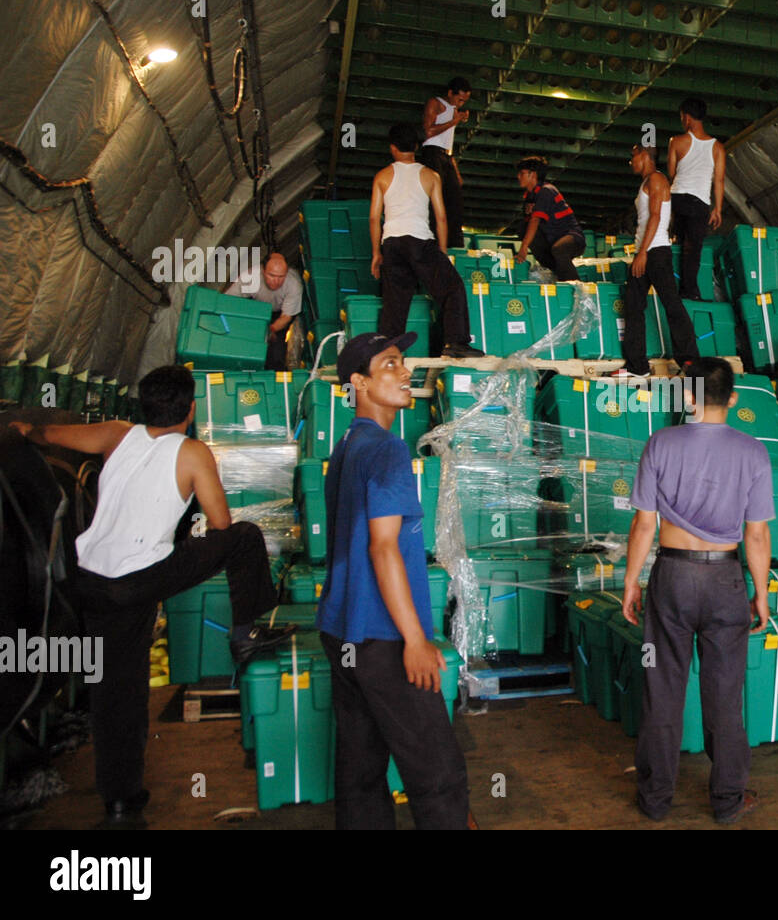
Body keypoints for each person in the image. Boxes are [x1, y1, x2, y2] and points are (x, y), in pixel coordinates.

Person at [11, 366, 292, 828]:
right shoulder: (193, 452)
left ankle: (121, 806)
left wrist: (27, 430)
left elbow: (52, 435)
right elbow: (220, 525)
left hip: (90, 581)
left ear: (143, 406)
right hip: (138, 580)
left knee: (113, 696)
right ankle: (245, 633)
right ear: (192, 409)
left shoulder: (116, 434)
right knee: (243, 537)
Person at [317, 332, 470, 830]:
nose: (405, 374)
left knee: (360, 770)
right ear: (358, 383)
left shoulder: (347, 445)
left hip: (341, 631)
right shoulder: (386, 451)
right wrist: (415, 640)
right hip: (383, 636)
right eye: (390, 365)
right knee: (437, 773)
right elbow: (382, 548)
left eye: (403, 363)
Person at [622, 358, 773, 824]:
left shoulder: (660, 443)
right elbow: (757, 535)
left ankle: (654, 801)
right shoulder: (754, 452)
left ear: (687, 397)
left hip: (670, 578)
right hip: (726, 580)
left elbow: (644, 524)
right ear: (732, 398)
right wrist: (761, 593)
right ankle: (727, 802)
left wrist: (631, 582)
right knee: (725, 696)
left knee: (661, 690)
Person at [369, 123, 481, 357]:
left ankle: (387, 355)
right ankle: (455, 343)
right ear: (417, 146)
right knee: (452, 288)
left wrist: (376, 254)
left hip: (391, 243)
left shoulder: (382, 176)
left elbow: (373, 218)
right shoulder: (431, 176)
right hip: (419, 241)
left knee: (395, 302)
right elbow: (440, 216)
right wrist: (441, 251)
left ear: (392, 148)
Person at [616, 143, 699, 379]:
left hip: (655, 253)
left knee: (671, 305)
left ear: (645, 155)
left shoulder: (656, 179)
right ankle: (637, 366)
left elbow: (656, 216)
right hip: (646, 251)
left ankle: (690, 361)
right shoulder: (646, 183)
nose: (631, 162)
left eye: (633, 157)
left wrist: (642, 253)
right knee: (633, 306)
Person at [667, 97, 726, 302]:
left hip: (676, 200)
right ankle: (689, 292)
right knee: (693, 250)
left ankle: (667, 287)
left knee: (674, 244)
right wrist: (717, 209)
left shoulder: (676, 142)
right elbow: (718, 180)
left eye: (682, 117)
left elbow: (672, 173)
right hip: (699, 203)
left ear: (688, 118)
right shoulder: (717, 147)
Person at [224, 252, 303, 370]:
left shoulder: (294, 285)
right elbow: (228, 301)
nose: (276, 281)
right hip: (255, 307)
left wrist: (270, 330)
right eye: (271, 275)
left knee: (276, 355)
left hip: (279, 315)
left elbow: (286, 317)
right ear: (263, 271)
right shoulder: (250, 278)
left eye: (281, 277)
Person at [418, 77, 471, 249]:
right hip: (432, 153)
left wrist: (455, 169)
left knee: (455, 201)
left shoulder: (455, 110)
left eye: (464, 101)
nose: (461, 104)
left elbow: (448, 144)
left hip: (447, 156)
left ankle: (454, 244)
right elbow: (428, 131)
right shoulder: (436, 103)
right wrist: (454, 121)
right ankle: (432, 241)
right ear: (450, 93)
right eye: (459, 99)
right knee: (435, 199)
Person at [515, 157, 585, 281]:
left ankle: (575, 286)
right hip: (552, 239)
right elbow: (530, 223)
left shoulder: (546, 191)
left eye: (522, 173)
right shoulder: (530, 196)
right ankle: (556, 272)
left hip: (572, 237)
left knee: (559, 249)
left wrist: (524, 247)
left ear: (533, 174)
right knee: (522, 228)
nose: (518, 177)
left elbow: (535, 220)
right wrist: (527, 214)